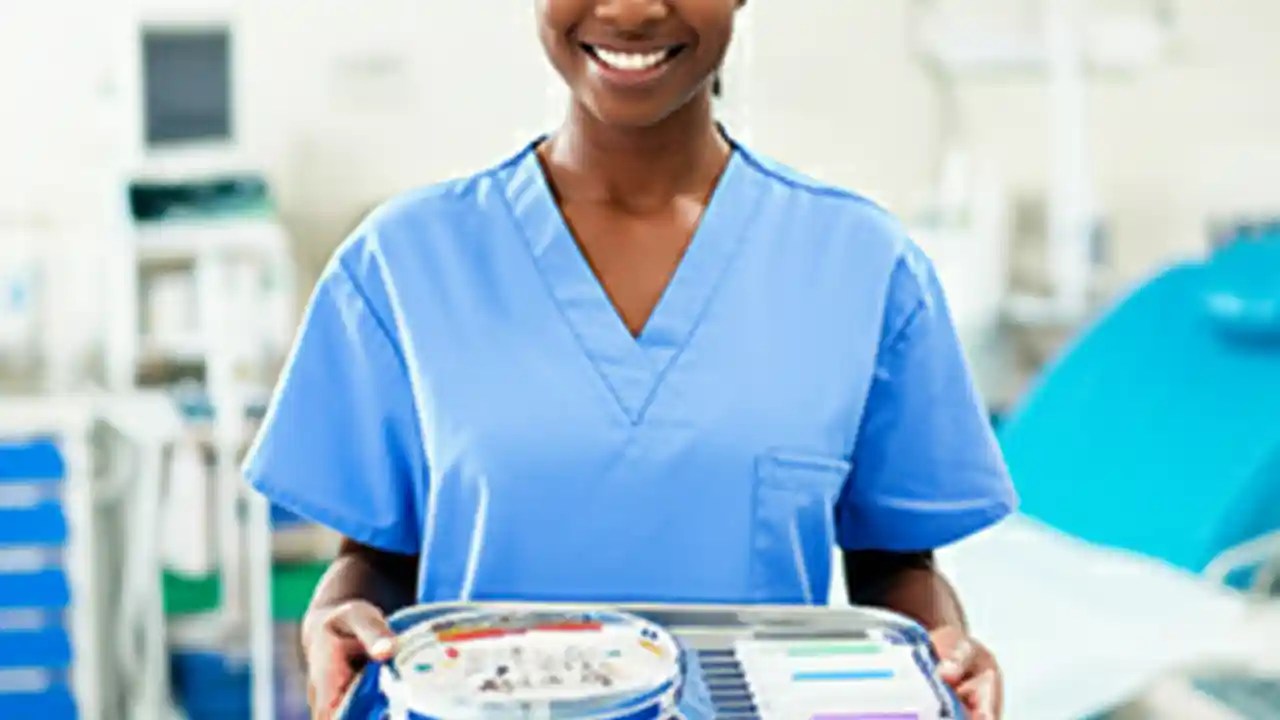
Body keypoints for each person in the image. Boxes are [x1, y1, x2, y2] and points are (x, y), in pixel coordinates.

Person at [244, 0, 1018, 717]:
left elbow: (895, 567)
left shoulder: (862, 265)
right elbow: (377, 559)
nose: (632, 9)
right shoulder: (404, 262)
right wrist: (333, 617)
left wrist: (943, 658)